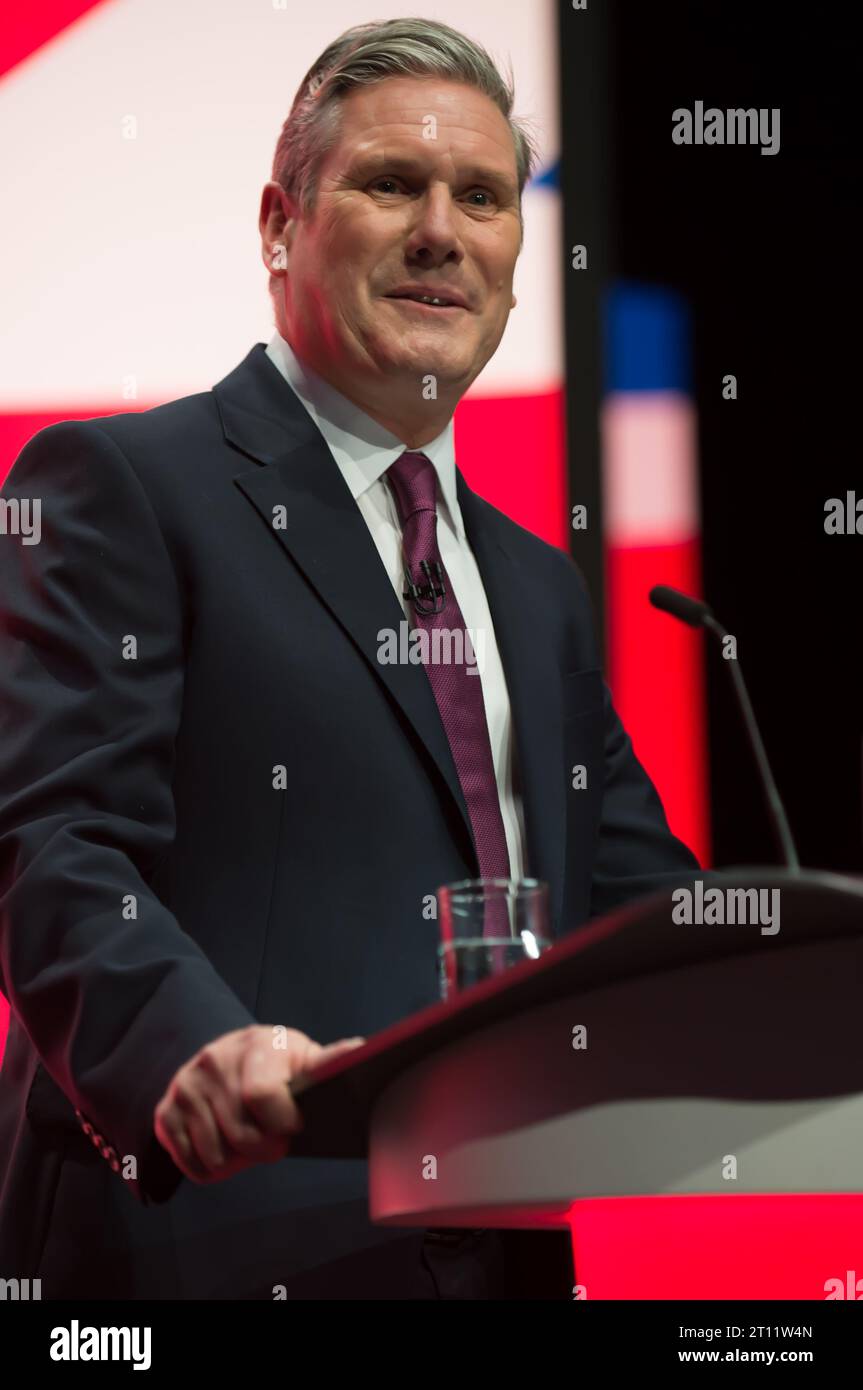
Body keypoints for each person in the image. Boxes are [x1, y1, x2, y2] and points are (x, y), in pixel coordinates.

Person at [0, 17, 700, 1299]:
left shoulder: (536, 587)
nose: (442, 232)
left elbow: (638, 909)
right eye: (391, 183)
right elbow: (53, 844)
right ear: (280, 226)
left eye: (481, 197)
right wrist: (187, 1053)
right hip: (217, 1247)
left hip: (499, 1258)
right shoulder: (124, 488)